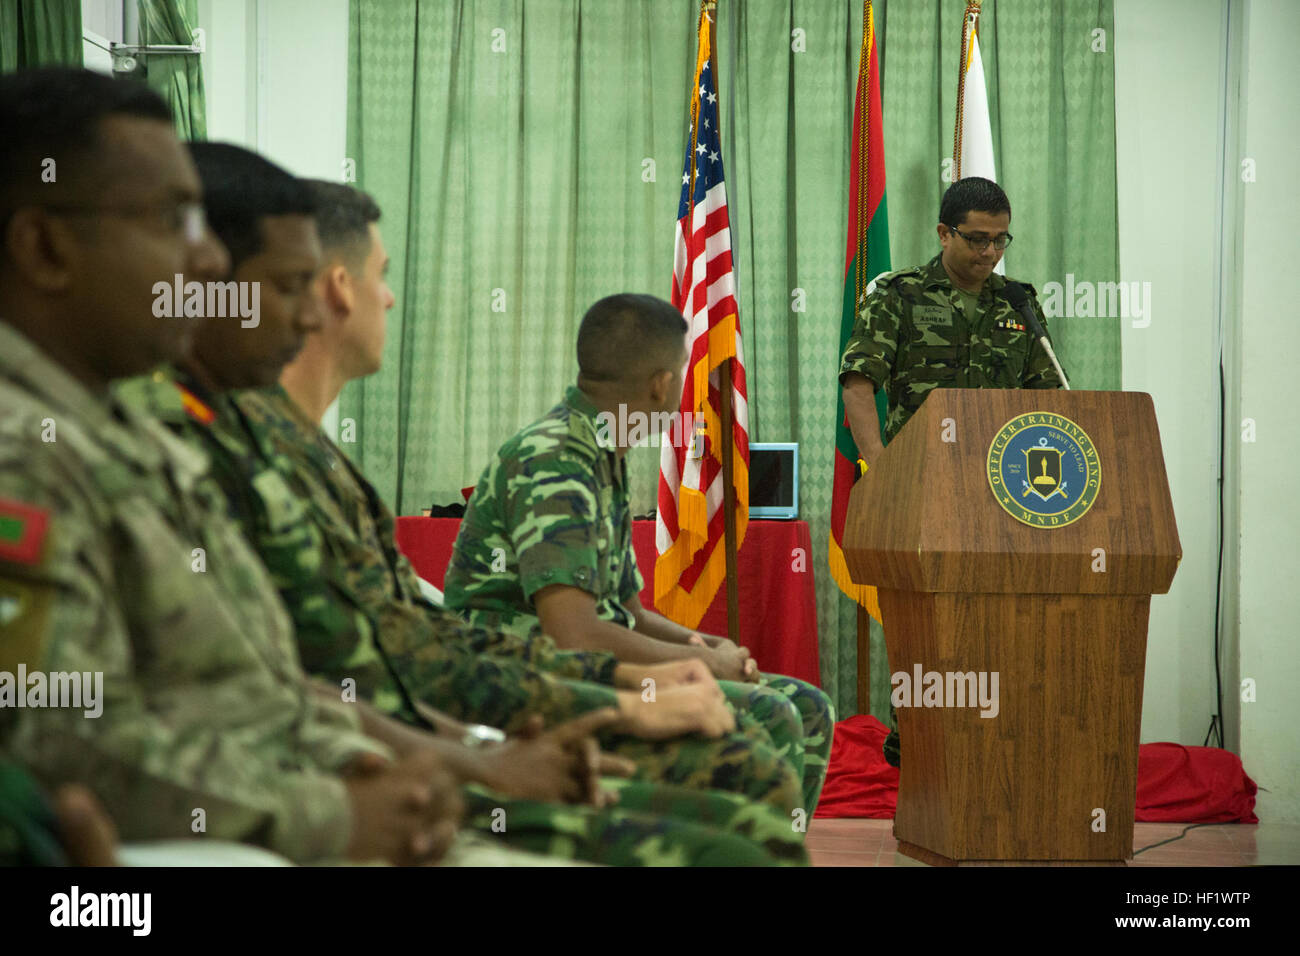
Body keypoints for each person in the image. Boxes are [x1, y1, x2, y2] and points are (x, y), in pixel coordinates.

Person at [121, 161, 804, 864]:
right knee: (749, 806)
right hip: (367, 772)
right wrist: (601, 705)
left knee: (758, 764)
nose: (384, 300)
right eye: (293, 286)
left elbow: (391, 651)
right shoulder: (191, 446)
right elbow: (541, 637)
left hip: (420, 739)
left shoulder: (293, 449)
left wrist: (665, 667)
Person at [0, 66, 487, 867]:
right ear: (45, 246)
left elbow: (255, 689)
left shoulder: (128, 431)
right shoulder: (26, 452)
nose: (208, 265)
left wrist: (376, 767)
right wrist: (332, 812)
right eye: (171, 222)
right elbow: (66, 739)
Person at [443, 293, 836, 814]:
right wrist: (702, 663)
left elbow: (626, 613)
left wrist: (710, 645)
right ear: (661, 383)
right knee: (770, 715)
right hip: (522, 674)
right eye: (680, 369)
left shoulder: (603, 452)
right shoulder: (556, 458)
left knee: (809, 707)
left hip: (584, 660)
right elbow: (574, 633)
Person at [839, 175, 1066, 765]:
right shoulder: (898, 294)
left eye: (1000, 240)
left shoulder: (1018, 300)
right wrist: (882, 472)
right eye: (975, 240)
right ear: (944, 232)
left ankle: (993, 745)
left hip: (1006, 494)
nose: (989, 253)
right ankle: (917, 740)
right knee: (927, 625)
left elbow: (1049, 398)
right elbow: (861, 386)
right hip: (923, 487)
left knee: (999, 624)